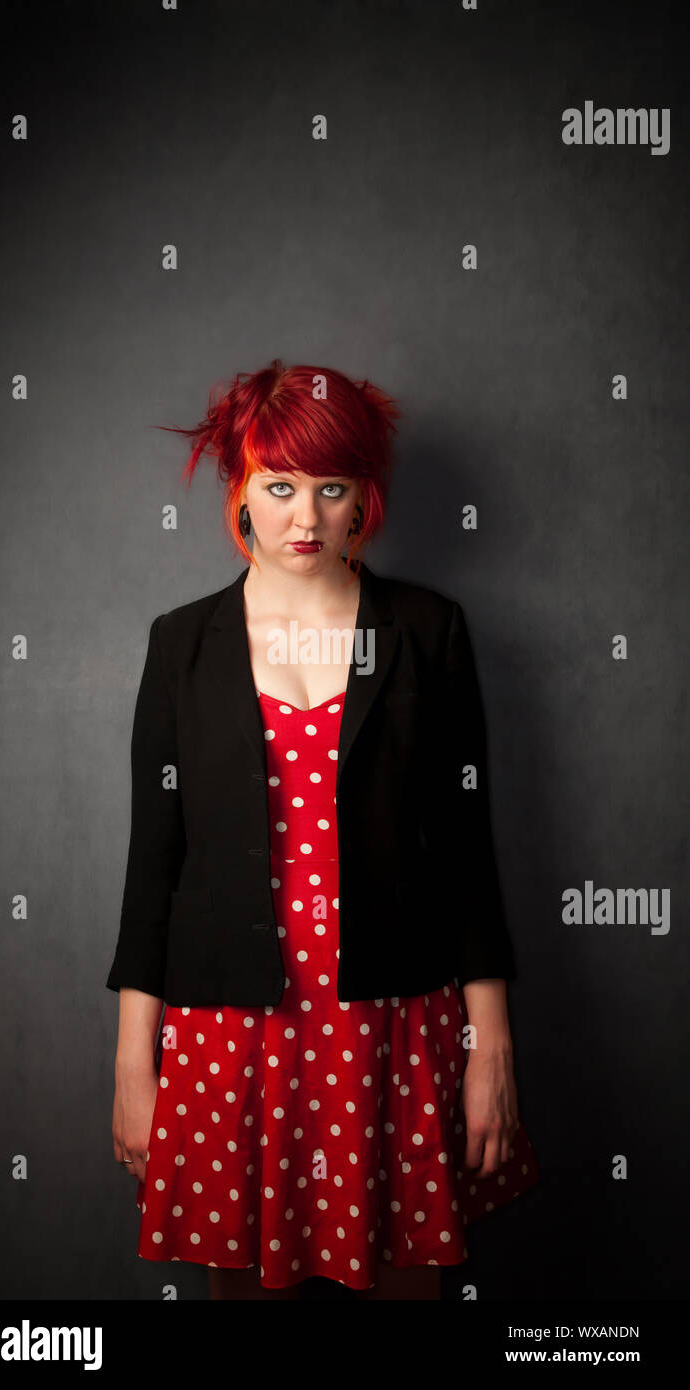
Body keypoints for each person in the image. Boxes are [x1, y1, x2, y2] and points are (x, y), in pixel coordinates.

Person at [108, 359, 540, 1301]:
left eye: (331, 488)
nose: (305, 516)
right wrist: (132, 1062)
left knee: (400, 1290)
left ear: (362, 499)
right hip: (230, 1032)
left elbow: (466, 853)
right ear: (240, 491)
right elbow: (156, 868)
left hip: (388, 1024)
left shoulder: (429, 630)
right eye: (279, 486)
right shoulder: (178, 645)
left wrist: (490, 1047)